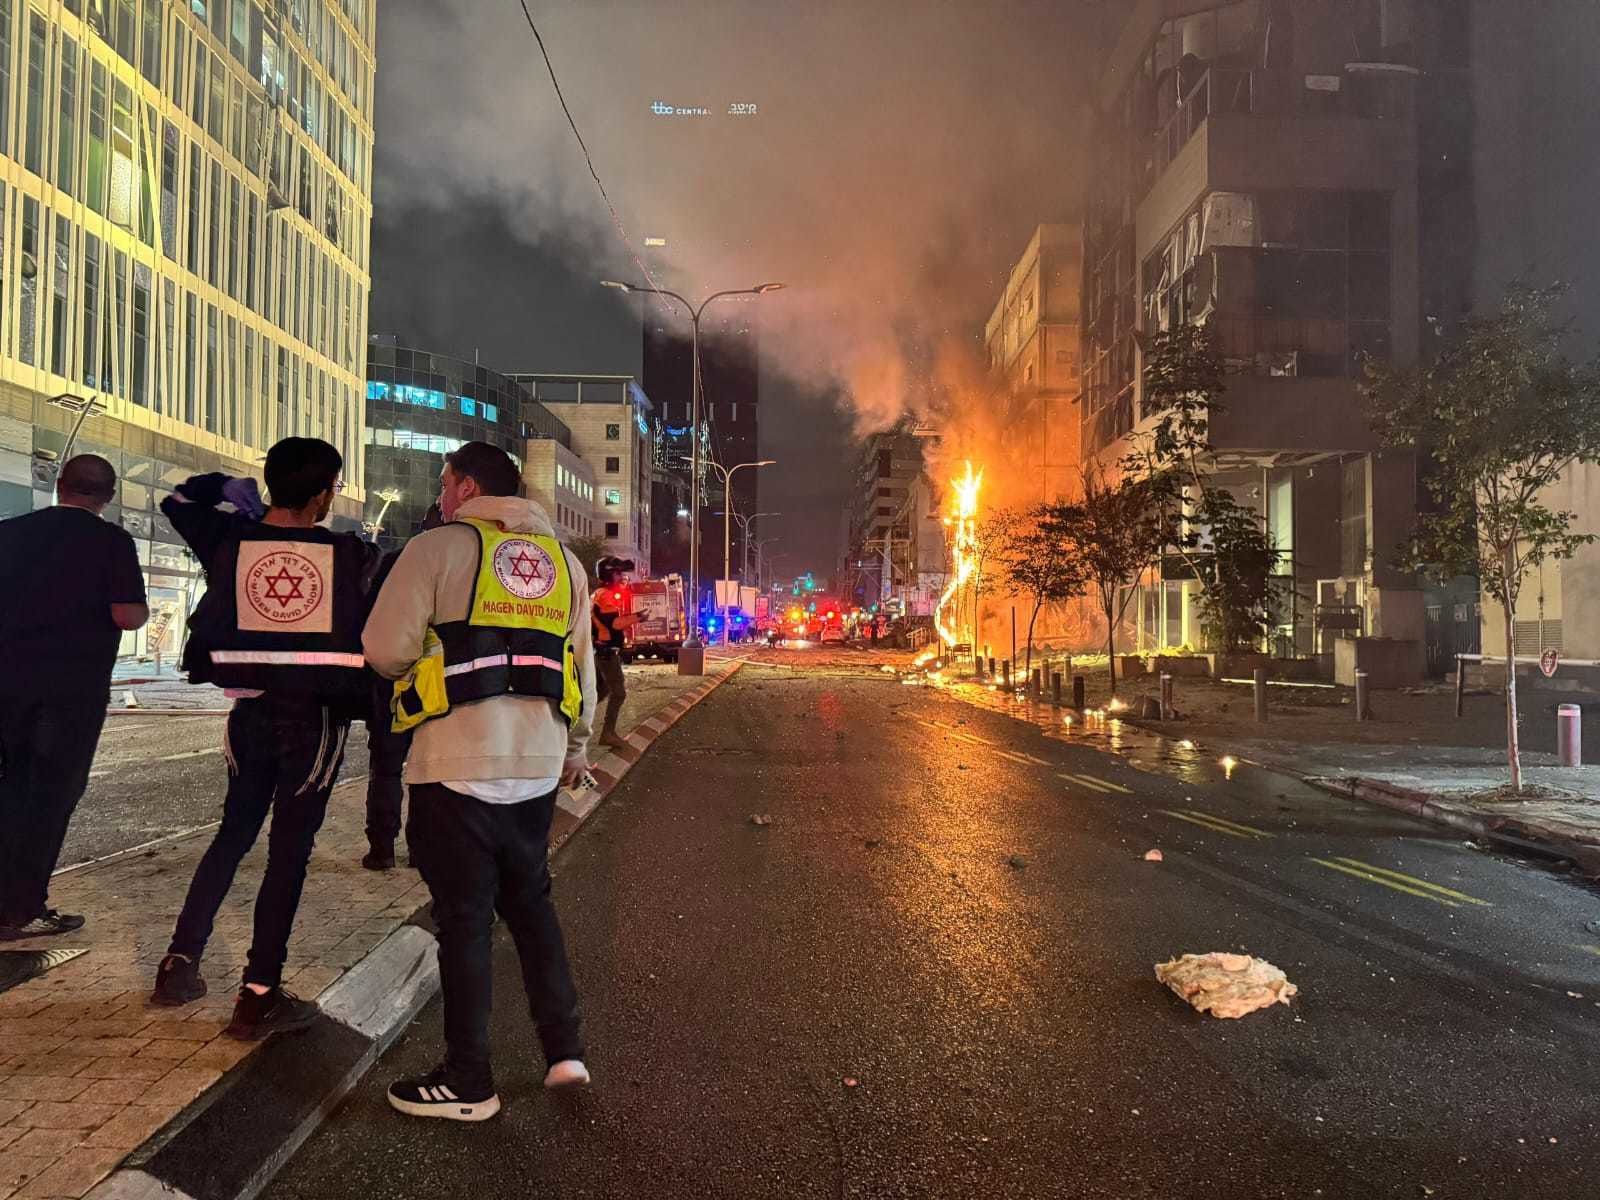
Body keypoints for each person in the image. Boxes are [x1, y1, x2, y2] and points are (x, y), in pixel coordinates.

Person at [365, 441, 595, 1122]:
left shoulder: (436, 549)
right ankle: (565, 1051)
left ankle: (469, 1080)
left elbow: (384, 650)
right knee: (532, 908)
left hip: (455, 765)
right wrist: (576, 751)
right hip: (538, 766)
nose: (439, 497)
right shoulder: (564, 565)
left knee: (464, 923)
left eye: (444, 483)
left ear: (466, 486)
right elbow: (578, 673)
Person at [150, 438, 380, 1041]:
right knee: (288, 853)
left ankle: (179, 962)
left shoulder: (228, 540)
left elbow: (175, 499)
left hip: (247, 716)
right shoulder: (350, 554)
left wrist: (220, 486)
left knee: (231, 836)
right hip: (316, 722)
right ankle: (258, 992)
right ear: (325, 491)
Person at [0, 455, 148, 940]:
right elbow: (127, 615)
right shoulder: (112, 543)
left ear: (60, 485)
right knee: (50, 795)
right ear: (107, 496)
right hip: (72, 692)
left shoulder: (10, 533)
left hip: (7, 684)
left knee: (9, 788)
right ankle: (21, 908)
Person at [361, 503, 440, 871]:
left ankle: (381, 848)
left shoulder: (394, 562)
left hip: (391, 682)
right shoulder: (461, 565)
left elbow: (371, 619)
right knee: (427, 771)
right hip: (437, 685)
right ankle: (420, 850)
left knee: (387, 768)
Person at [591, 556, 639, 749]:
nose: (622, 577)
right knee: (618, 693)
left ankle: (570, 728)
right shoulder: (605, 596)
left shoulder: (598, 593)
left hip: (600, 650)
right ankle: (608, 734)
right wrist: (638, 617)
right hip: (606, 652)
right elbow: (614, 624)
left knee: (598, 693)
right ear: (609, 574)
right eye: (618, 573)